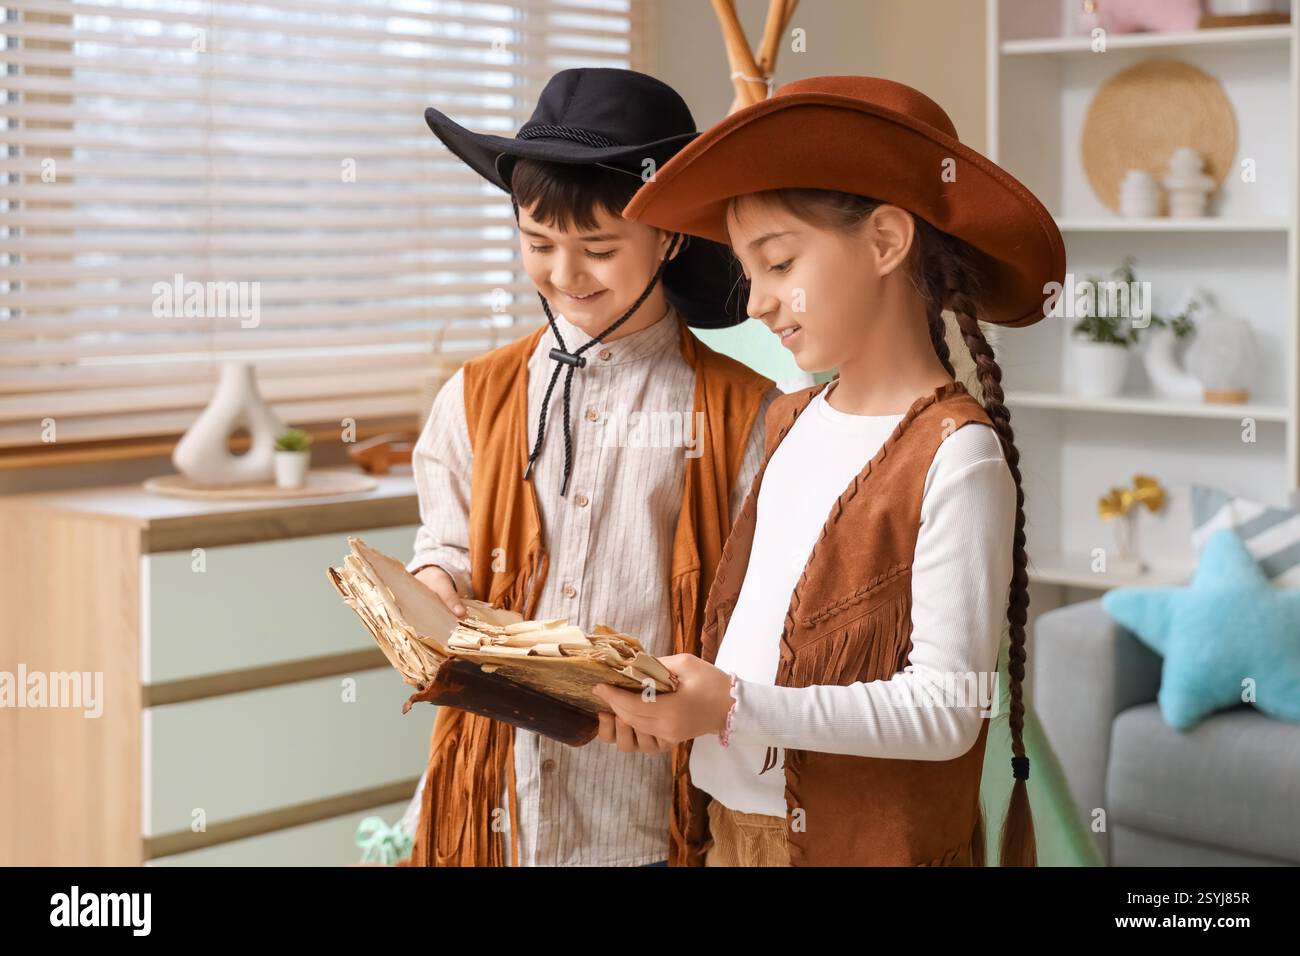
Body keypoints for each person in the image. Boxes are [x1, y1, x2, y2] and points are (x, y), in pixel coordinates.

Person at [592, 75, 1066, 866]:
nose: (756, 304)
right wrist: (676, 705)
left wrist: (734, 705)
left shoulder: (957, 455)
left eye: (778, 264)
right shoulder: (791, 419)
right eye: (749, 273)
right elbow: (760, 639)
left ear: (885, 241)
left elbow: (946, 711)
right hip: (729, 832)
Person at [400, 67, 781, 867]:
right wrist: (433, 585)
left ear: (671, 234)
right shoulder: (474, 398)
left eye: (598, 250)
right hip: (496, 801)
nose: (565, 276)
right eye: (538, 244)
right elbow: (447, 546)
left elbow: (764, 621)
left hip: (645, 814)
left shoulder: (747, 414)